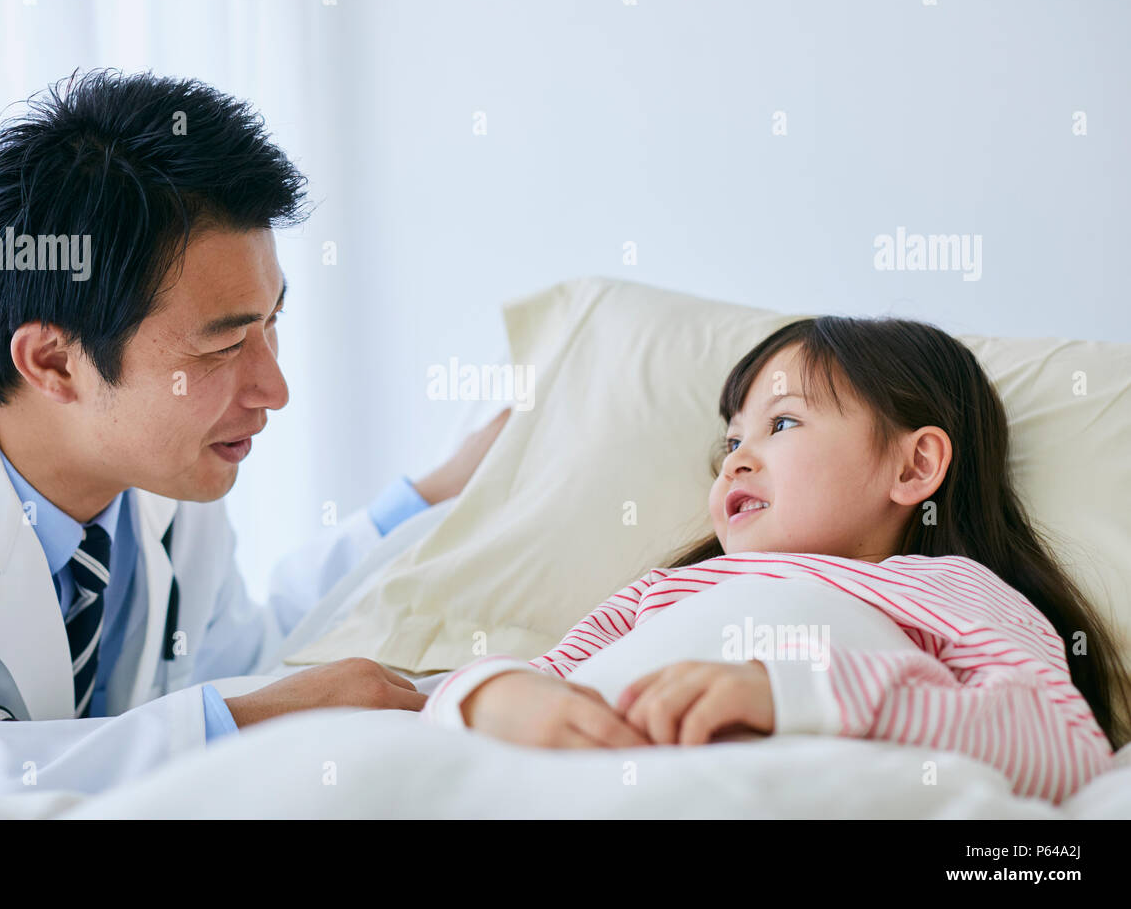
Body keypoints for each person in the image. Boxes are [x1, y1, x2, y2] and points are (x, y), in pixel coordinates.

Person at [0, 68, 507, 819]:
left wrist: (429, 498)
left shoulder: (168, 483)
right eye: (222, 347)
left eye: (270, 323)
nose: (273, 388)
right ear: (53, 361)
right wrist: (226, 728)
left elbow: (252, 661)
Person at [423, 316, 1131, 805]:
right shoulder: (661, 593)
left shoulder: (946, 586)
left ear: (915, 466)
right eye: (729, 444)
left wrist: (789, 694)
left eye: (782, 423)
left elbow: (1061, 744)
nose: (737, 462)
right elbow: (545, 676)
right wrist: (486, 696)